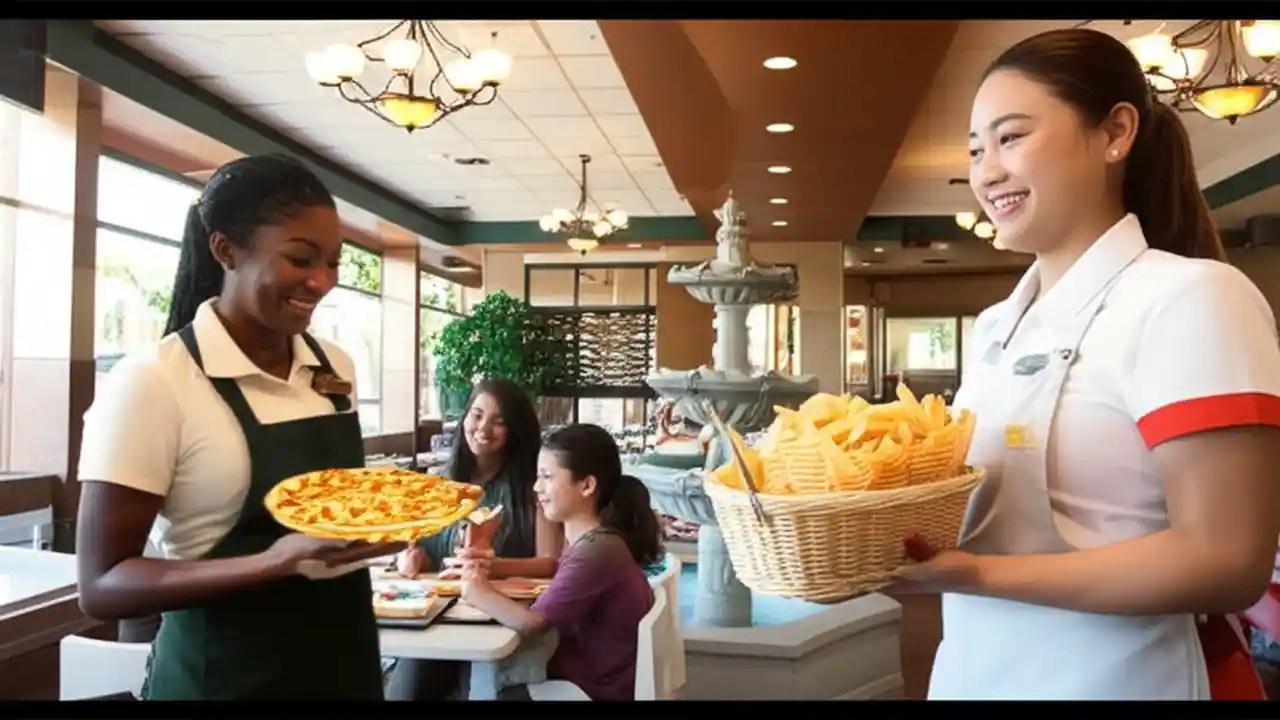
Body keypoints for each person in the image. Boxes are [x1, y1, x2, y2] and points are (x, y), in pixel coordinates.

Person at [887, 28, 1280, 700]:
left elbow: (1228, 560)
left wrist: (977, 575)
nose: (986, 171)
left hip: (1122, 679)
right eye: (977, 149)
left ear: (1115, 132)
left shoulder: (1188, 298)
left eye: (1011, 138)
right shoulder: (993, 330)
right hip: (976, 673)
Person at [75, 154, 399, 700]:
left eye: (334, 263)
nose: (321, 282)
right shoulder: (154, 382)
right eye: (300, 259)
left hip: (344, 667)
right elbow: (101, 587)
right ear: (224, 249)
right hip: (222, 677)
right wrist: (272, 564)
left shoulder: (334, 365)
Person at [385, 378, 563, 700]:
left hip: (499, 620)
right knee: (410, 680)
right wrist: (408, 560)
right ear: (464, 417)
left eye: (499, 422)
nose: (483, 428)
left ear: (516, 430)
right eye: (477, 415)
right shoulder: (436, 484)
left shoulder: (532, 488)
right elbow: (413, 551)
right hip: (437, 617)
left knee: (470, 684)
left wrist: (491, 566)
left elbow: (551, 563)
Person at [459, 423, 663, 701]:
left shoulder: (598, 549)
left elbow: (534, 623)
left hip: (588, 689)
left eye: (547, 477)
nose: (536, 487)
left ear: (587, 485)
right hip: (588, 676)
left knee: (461, 680)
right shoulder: (594, 542)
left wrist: (476, 591)